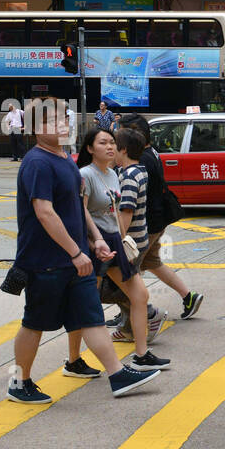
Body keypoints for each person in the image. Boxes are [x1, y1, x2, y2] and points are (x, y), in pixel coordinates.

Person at [10, 114, 159, 402]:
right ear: (36, 128)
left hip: (77, 258)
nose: (63, 125)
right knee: (35, 323)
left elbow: (79, 209)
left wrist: (95, 241)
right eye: (52, 120)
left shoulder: (65, 159)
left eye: (64, 119)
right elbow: (44, 212)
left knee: (92, 317)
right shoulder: (37, 162)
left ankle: (117, 374)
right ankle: (19, 382)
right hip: (46, 260)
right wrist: (75, 251)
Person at [70, 127, 168, 373]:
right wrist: (94, 243)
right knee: (85, 303)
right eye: (103, 143)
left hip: (114, 244)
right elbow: (79, 213)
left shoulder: (114, 174)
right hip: (96, 246)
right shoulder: (85, 175)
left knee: (139, 296)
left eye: (112, 142)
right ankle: (73, 360)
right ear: (90, 148)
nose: (110, 147)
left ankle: (141, 355)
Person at [116, 113, 203, 322]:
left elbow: (133, 201)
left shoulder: (140, 161)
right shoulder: (151, 153)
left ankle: (139, 315)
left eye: (119, 136)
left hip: (146, 225)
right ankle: (189, 296)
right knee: (153, 263)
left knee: (126, 273)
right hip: (157, 220)